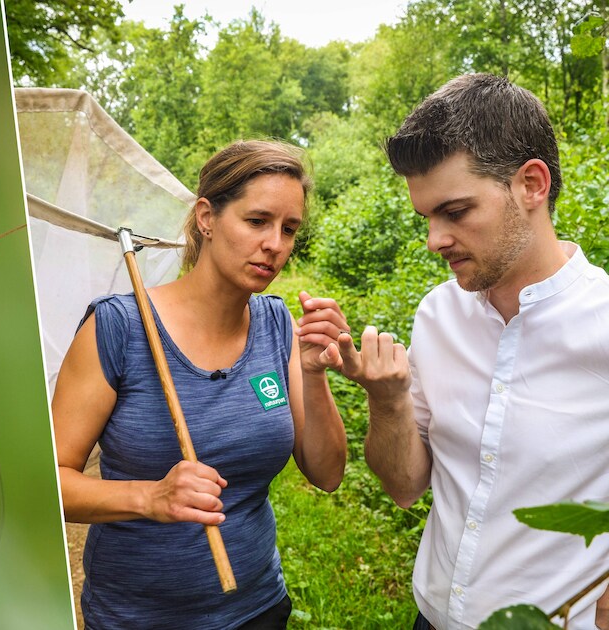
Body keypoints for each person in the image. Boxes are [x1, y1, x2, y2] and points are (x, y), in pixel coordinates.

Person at [323, 73, 609, 629]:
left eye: (455, 212)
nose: (434, 240)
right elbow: (404, 487)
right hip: (431, 615)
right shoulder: (437, 314)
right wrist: (388, 400)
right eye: (426, 218)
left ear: (531, 184)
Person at [52, 140, 349, 629]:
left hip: (257, 608)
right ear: (207, 217)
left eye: (289, 229)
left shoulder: (277, 323)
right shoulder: (120, 328)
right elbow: (53, 482)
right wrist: (149, 497)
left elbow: (327, 473)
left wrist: (314, 375)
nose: (275, 244)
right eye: (257, 221)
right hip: (137, 617)